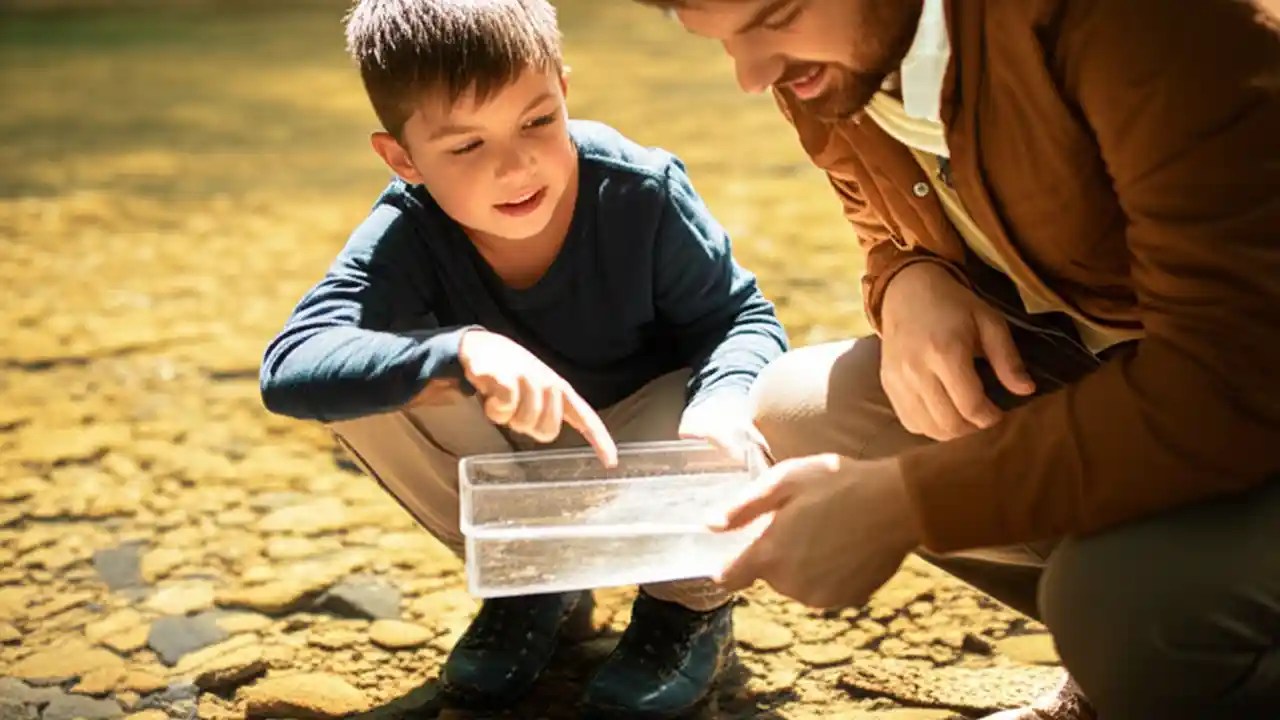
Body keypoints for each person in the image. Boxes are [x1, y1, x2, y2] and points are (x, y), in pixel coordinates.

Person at [632, 0, 1280, 718]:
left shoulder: (1143, 23)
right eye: (716, 37)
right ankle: (1133, 669)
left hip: (1245, 401)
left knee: (1114, 607)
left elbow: (1228, 382)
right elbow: (878, 212)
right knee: (798, 407)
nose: (752, 75)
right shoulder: (832, 56)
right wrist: (904, 275)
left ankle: (1164, 639)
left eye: (776, 16)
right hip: (1141, 386)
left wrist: (906, 503)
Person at [258, 0, 787, 716]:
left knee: (753, 391)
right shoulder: (407, 231)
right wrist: (461, 350)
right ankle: (532, 584)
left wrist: (723, 406)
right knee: (379, 382)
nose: (516, 165)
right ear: (403, 158)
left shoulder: (639, 190)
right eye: (466, 147)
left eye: (537, 121)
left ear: (565, 92)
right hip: (528, 460)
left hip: (648, 441)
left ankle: (685, 612)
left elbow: (742, 319)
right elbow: (291, 365)